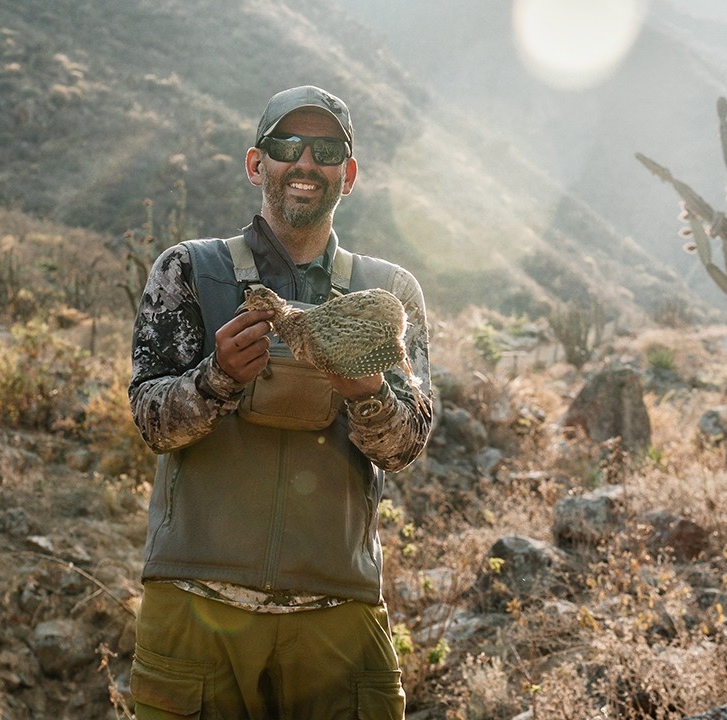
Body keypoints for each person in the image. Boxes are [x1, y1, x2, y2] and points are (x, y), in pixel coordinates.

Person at [128, 85, 434, 719]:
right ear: (255, 163)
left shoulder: (388, 294)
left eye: (325, 151)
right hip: (195, 612)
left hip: (337, 622)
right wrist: (215, 381)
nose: (304, 163)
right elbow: (150, 421)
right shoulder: (187, 271)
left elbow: (407, 445)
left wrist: (366, 391)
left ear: (348, 175)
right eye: (285, 146)